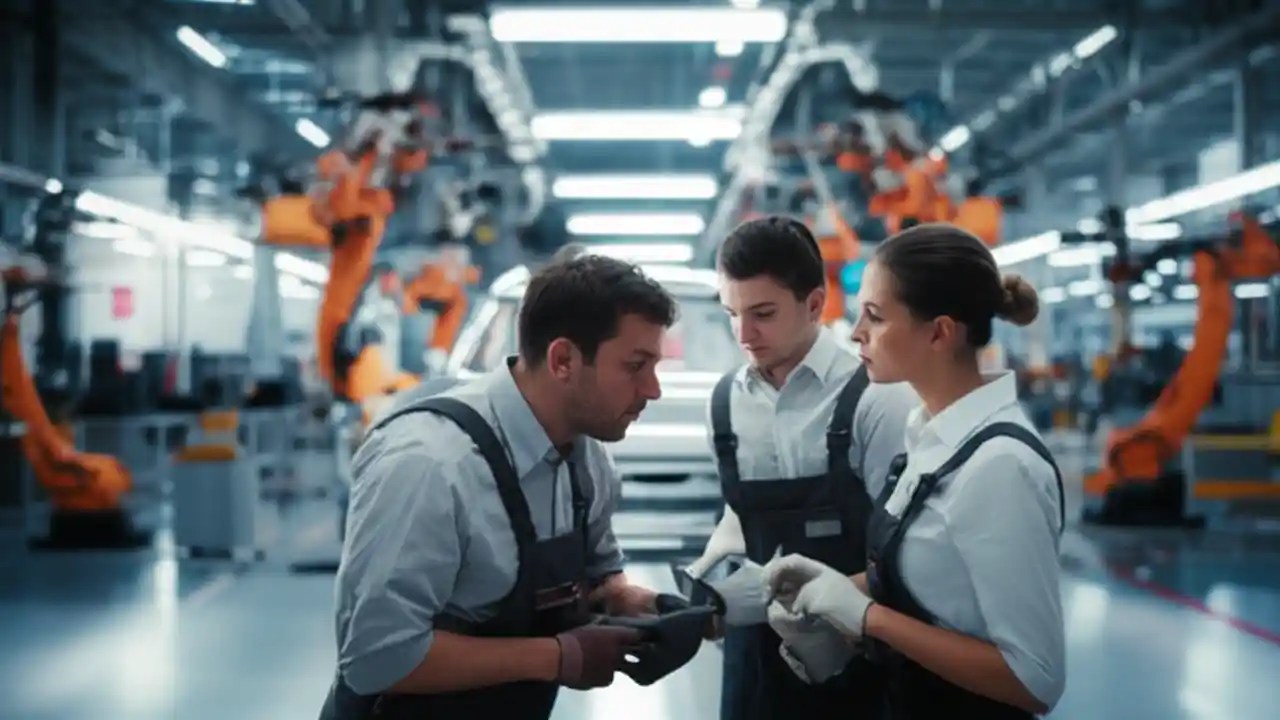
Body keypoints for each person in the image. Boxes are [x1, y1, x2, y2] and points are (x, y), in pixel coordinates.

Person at [319, 254, 693, 720]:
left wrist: (642, 607)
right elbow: (376, 657)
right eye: (635, 366)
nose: (653, 389)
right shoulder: (431, 465)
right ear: (563, 361)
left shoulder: (584, 455)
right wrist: (559, 657)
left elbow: (596, 578)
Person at [765, 222, 1067, 719]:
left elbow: (1035, 679)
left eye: (876, 317)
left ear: (939, 333)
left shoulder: (1000, 466)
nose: (857, 332)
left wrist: (869, 617)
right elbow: (944, 583)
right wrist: (839, 587)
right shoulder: (928, 435)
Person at [686, 216, 920, 720]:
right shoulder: (723, 404)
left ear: (815, 304)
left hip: (859, 661)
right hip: (753, 667)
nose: (744, 333)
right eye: (732, 313)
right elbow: (739, 515)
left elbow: (911, 552)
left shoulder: (876, 399)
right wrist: (715, 591)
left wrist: (834, 604)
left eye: (763, 313)